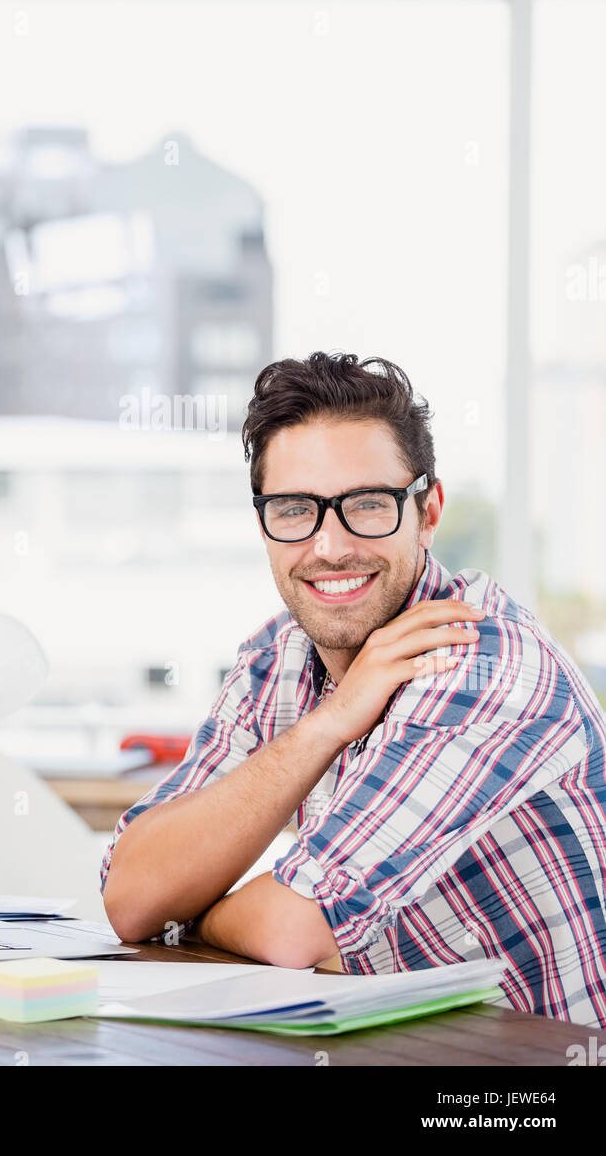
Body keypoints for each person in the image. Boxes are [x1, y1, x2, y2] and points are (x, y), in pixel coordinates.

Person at [100, 351, 606, 1027]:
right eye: (294, 509)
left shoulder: (484, 665)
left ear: (427, 512)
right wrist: (331, 720)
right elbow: (134, 898)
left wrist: (198, 911)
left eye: (367, 505)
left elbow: (293, 929)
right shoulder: (276, 657)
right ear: (264, 525)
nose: (329, 547)